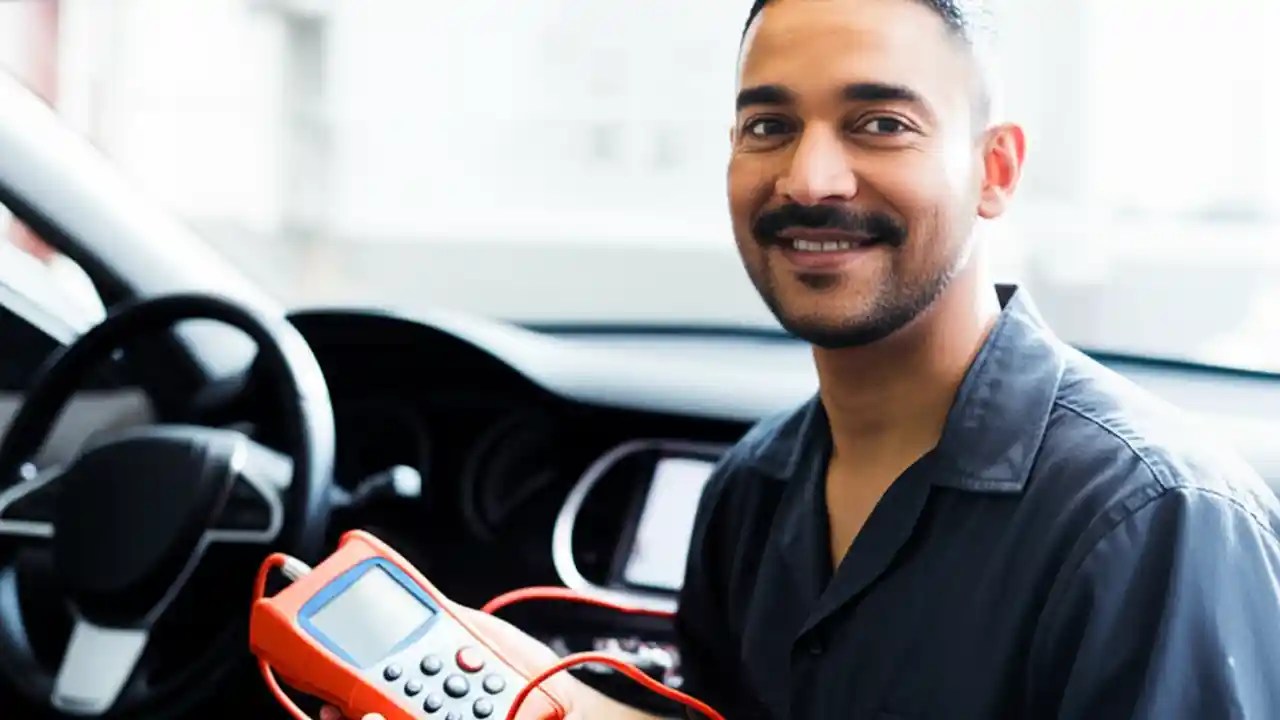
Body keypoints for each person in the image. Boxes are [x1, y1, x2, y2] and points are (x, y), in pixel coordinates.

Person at [332, 0, 1280, 717]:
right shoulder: (749, 491)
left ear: (995, 171)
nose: (809, 179)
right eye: (768, 125)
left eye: (880, 123)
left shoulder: (1154, 521)